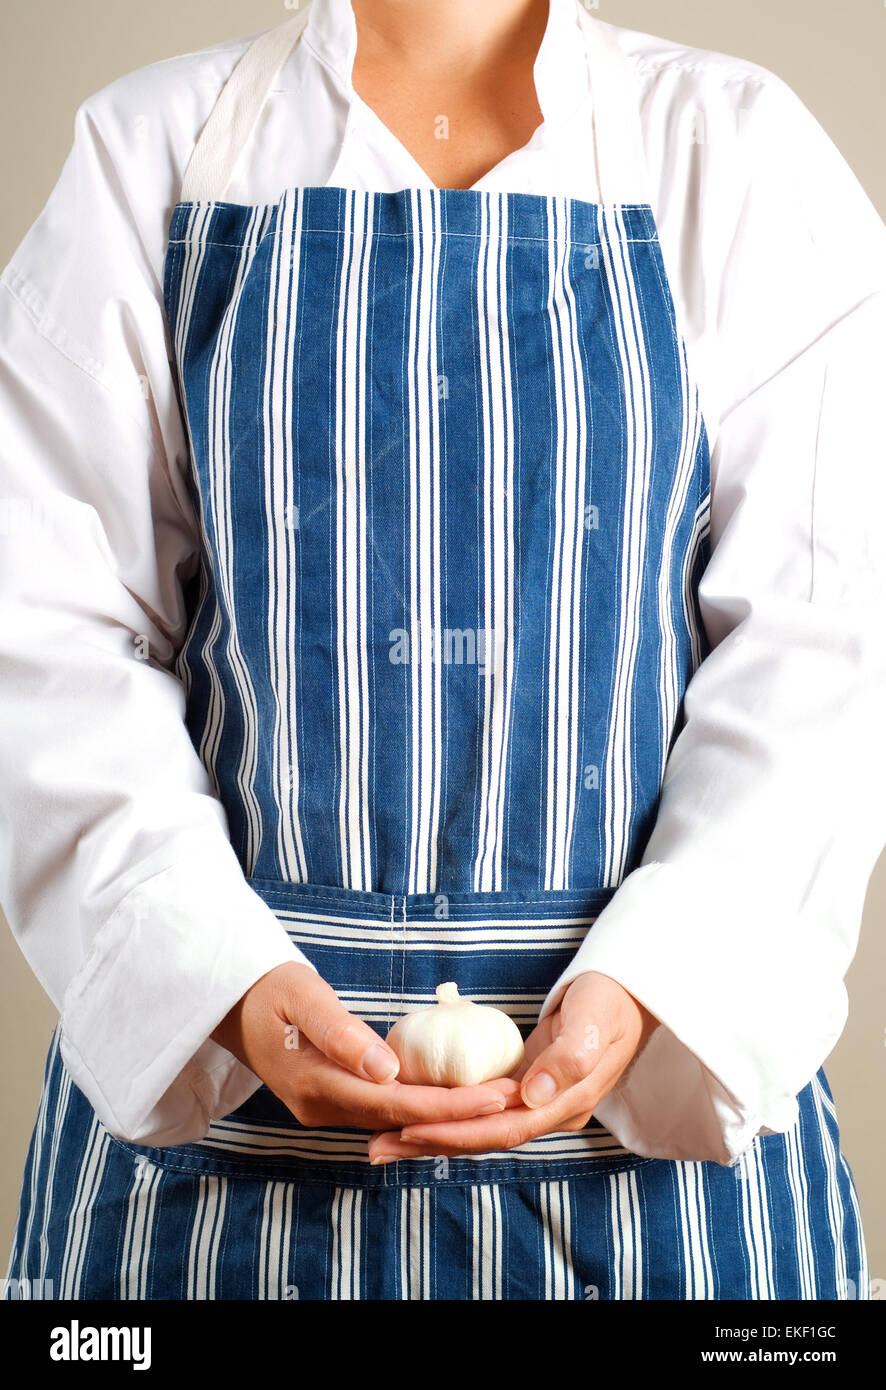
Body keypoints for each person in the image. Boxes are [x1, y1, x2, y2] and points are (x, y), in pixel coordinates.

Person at [2, 0, 885, 1301]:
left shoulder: (733, 153)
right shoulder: (154, 155)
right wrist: (226, 983)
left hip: (661, 1209)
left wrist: (645, 991)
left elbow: (831, 653)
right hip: (203, 1210)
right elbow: (40, 628)